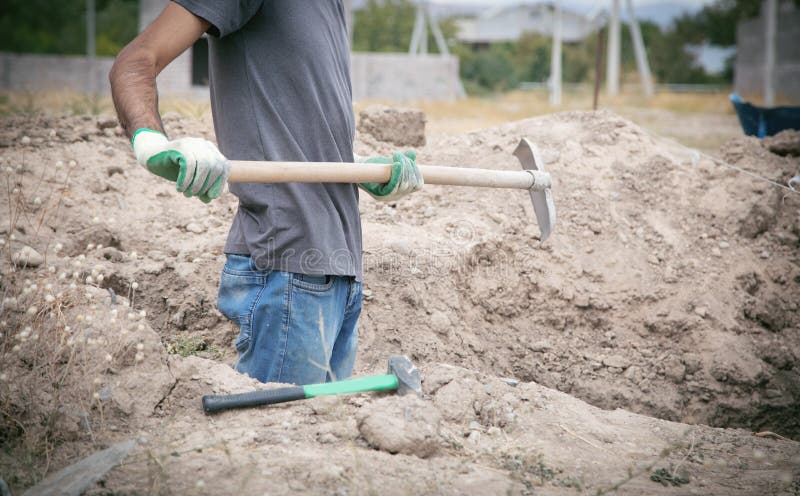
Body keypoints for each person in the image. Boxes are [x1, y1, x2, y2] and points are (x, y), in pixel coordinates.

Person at [109, 1, 423, 385]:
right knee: (273, 435)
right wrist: (152, 145)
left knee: (316, 436)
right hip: (286, 266)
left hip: (339, 267)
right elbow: (135, 61)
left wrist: (361, 167)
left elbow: (292, 120)